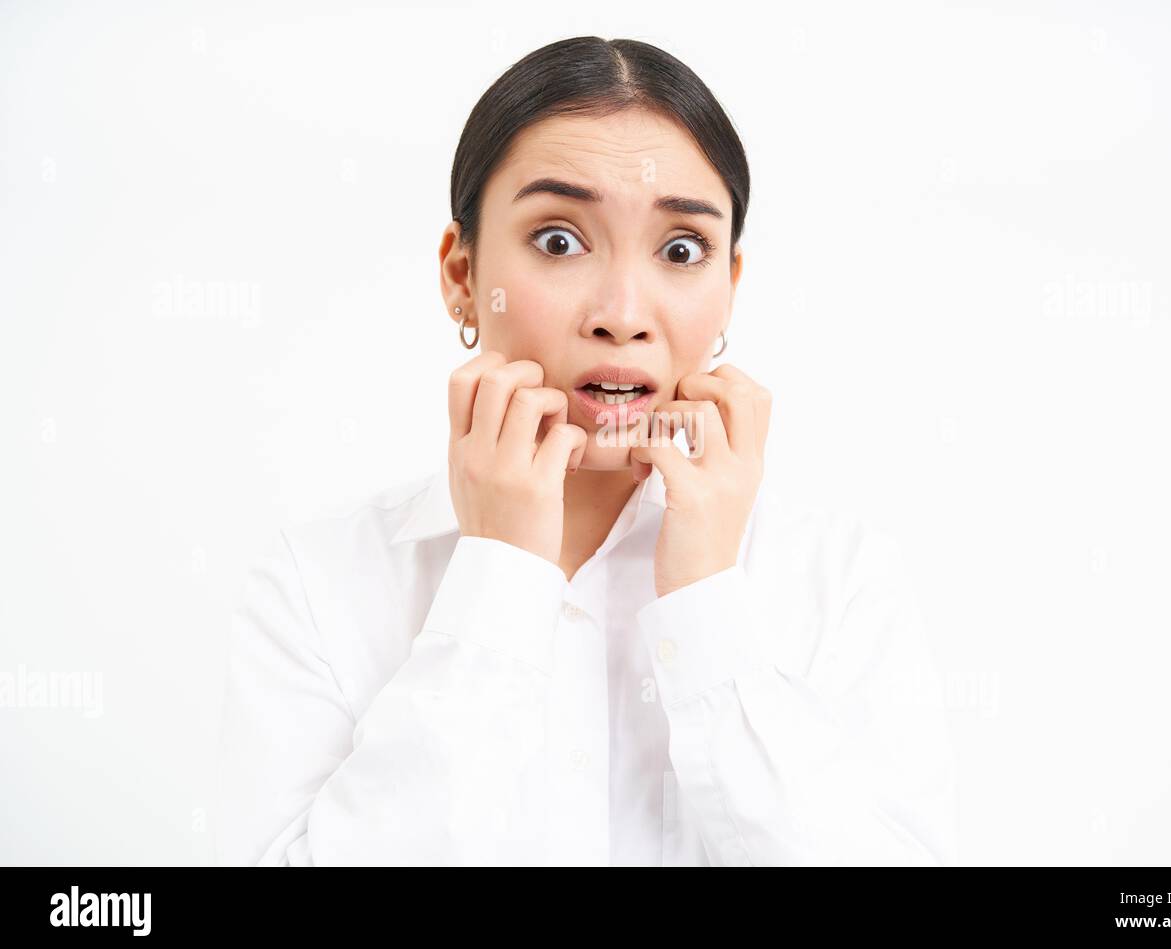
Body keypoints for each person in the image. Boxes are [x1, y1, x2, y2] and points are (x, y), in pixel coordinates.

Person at [216, 35, 957, 866]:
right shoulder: (318, 587)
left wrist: (708, 598)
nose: (622, 313)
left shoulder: (838, 581)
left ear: (729, 290)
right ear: (463, 274)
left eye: (681, 251)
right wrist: (498, 574)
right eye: (559, 241)